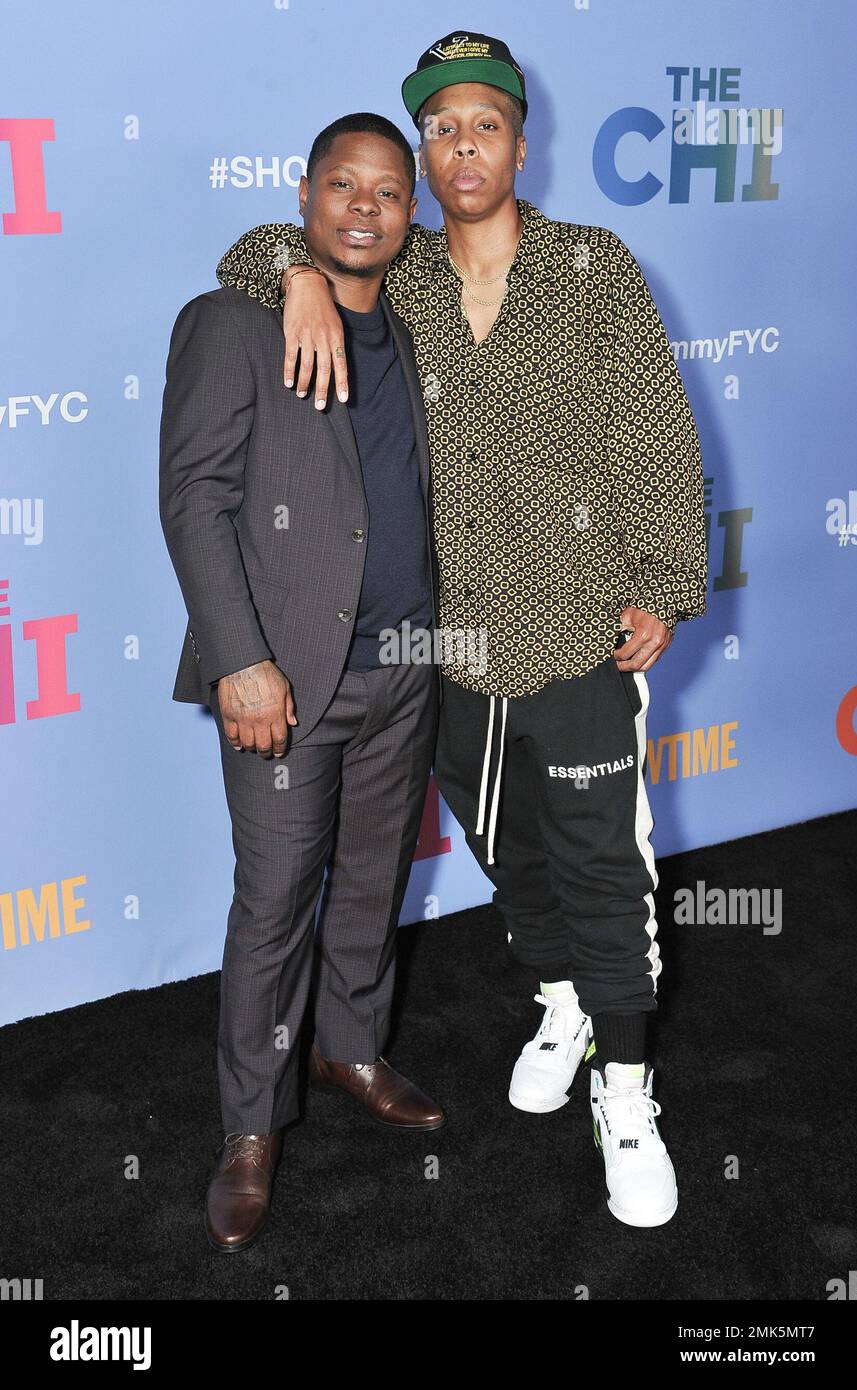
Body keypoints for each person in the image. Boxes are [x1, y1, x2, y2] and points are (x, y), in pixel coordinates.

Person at [215, 32, 708, 1228]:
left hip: (581, 632)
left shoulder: (593, 266)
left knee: (601, 866)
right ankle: (560, 996)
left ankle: (628, 1093)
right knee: (504, 852)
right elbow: (243, 250)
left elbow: (653, 430)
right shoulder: (399, 276)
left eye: (483, 123)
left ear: (521, 142)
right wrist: (291, 269)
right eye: (441, 130)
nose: (461, 146)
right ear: (425, 155)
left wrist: (662, 579)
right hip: (445, 652)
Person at [159, 113, 445, 1255]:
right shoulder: (235, 321)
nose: (365, 208)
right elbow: (194, 501)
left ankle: (352, 1047)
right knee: (275, 904)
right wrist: (238, 658)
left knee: (372, 882)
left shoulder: (413, 328)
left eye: (387, 191)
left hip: (405, 670)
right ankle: (248, 1127)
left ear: (408, 212)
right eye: (343, 186)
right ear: (304, 195)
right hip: (286, 681)